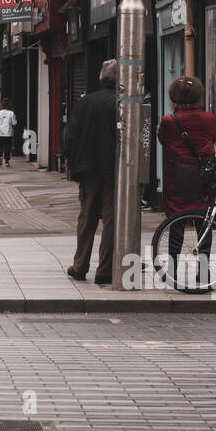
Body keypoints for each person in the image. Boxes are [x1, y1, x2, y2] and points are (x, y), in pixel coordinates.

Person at [158, 76, 216, 285]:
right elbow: (212, 138)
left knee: (176, 224)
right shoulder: (210, 118)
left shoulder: (168, 121)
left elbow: (162, 139)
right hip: (203, 179)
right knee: (204, 224)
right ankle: (204, 272)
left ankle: (173, 272)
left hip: (178, 179)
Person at [64, 60, 119, 285]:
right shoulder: (121, 103)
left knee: (87, 218)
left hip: (87, 169)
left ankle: (80, 266)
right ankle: (105, 270)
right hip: (113, 170)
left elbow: (70, 136)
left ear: (100, 78)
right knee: (111, 220)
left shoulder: (85, 102)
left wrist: (71, 163)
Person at [0, 98, 17, 167]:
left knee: (0, 146)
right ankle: (7, 161)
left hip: (0, 133)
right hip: (8, 133)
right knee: (7, 147)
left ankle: (0, 157)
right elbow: (14, 123)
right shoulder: (11, 113)